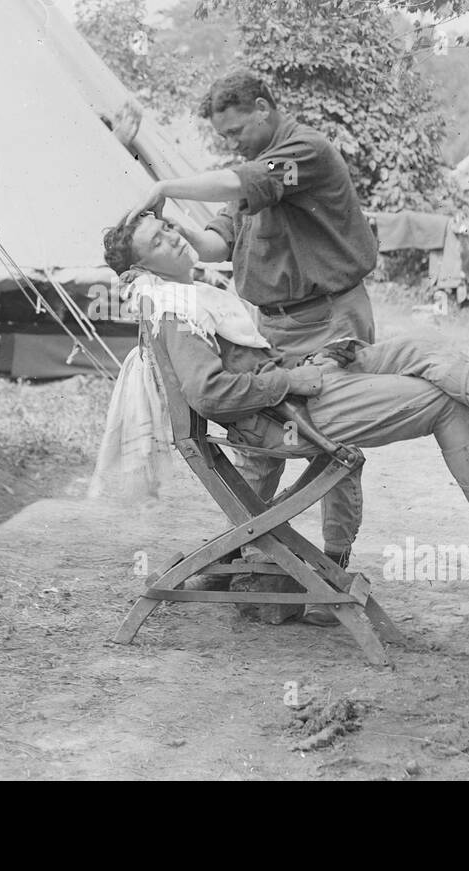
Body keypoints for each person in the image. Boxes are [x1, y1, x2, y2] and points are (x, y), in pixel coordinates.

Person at [101, 213, 469, 568]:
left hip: (301, 382)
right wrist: (292, 378)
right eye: (156, 241)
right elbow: (211, 394)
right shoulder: (175, 310)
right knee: (440, 402)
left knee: (431, 351)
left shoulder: (190, 292)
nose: (171, 237)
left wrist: (314, 359)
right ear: (141, 268)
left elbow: (248, 359)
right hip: (287, 415)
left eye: (166, 227)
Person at [126, 70, 378, 570]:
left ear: (264, 107)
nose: (233, 143)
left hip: (330, 319)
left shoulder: (305, 153)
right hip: (273, 328)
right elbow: (217, 244)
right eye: (224, 138)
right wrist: (170, 225)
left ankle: (332, 563)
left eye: (237, 131)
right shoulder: (250, 171)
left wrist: (166, 185)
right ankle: (248, 546)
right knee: (260, 439)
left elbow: (249, 181)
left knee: (335, 443)